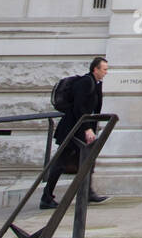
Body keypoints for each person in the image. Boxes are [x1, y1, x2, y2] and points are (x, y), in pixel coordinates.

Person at [42, 56, 111, 208]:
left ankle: (87, 192)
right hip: (72, 129)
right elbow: (79, 107)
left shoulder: (95, 84)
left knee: (87, 161)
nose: (106, 72)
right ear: (96, 69)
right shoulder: (86, 82)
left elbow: (93, 109)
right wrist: (87, 129)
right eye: (104, 69)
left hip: (79, 129)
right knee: (61, 163)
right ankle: (46, 197)